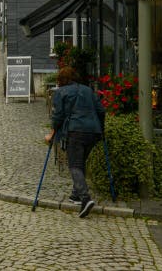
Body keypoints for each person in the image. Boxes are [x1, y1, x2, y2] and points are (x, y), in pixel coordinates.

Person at [45, 66, 105, 218]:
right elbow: (101, 111)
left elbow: (57, 116)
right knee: (80, 162)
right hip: (93, 131)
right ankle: (76, 195)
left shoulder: (60, 92)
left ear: (61, 80)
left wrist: (52, 133)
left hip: (75, 131)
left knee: (75, 165)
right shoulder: (88, 90)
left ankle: (85, 198)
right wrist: (101, 129)